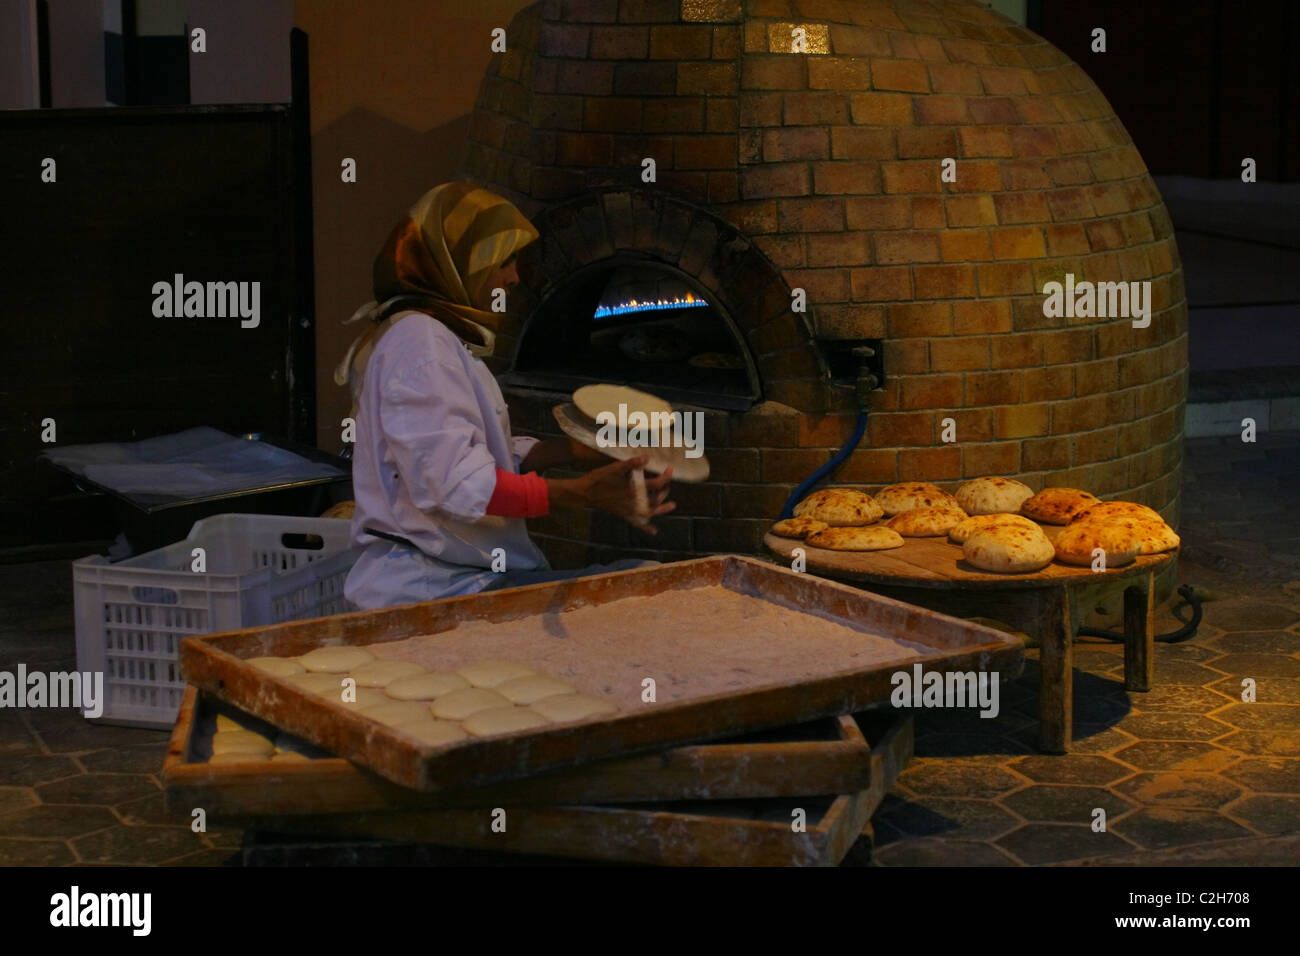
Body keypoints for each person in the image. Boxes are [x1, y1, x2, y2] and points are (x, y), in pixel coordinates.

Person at [334, 182, 673, 610]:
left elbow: (468, 458)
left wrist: (573, 450)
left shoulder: (436, 336)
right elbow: (456, 484)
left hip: (460, 573)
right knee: (637, 589)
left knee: (637, 586)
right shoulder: (420, 341)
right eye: (505, 260)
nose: (514, 277)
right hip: (431, 586)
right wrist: (580, 493)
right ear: (461, 260)